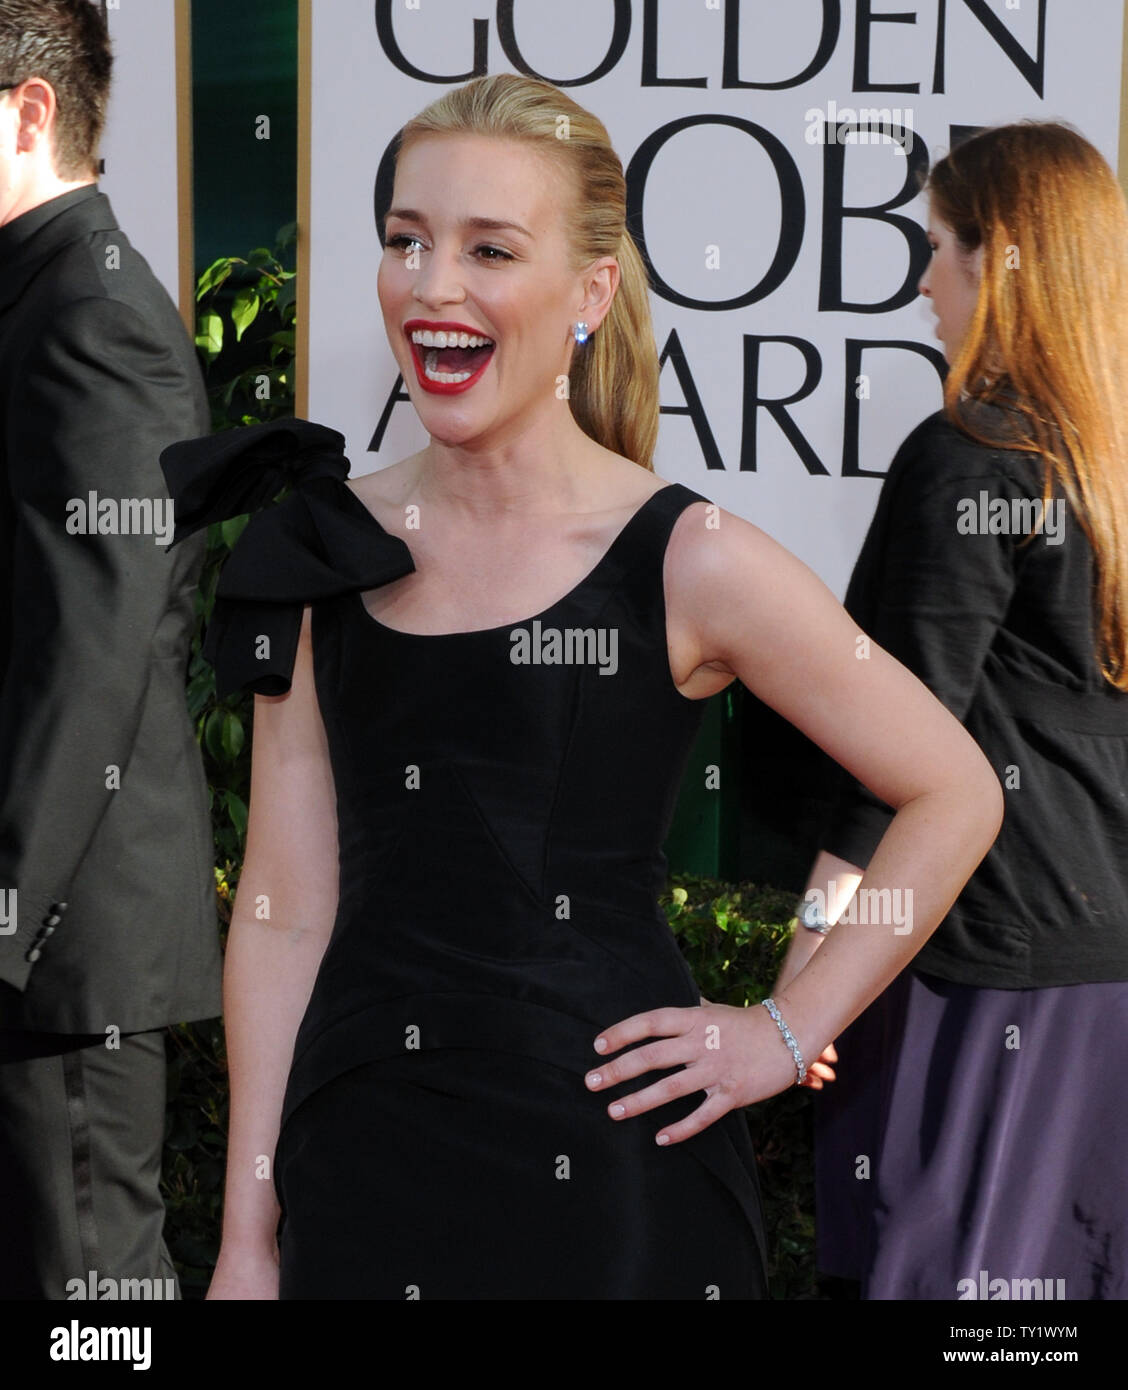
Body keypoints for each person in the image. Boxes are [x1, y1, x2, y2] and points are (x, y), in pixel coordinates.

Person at [164, 73, 1000, 1301]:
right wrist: (247, 1233)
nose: (432, 284)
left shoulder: (689, 557)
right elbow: (286, 914)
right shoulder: (320, 547)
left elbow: (956, 791)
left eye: (489, 248)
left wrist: (784, 1029)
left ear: (589, 293)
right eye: (406, 240)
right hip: (361, 1169)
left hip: (614, 1185)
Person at [776, 122, 1128, 1300]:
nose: (924, 282)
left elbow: (897, 745)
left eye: (940, 249)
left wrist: (814, 960)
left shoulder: (972, 457)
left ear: (1003, 262)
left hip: (979, 972)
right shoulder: (1099, 467)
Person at [0, 0, 221, 1300]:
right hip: (44, 941)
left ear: (29, 113)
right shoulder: (46, 297)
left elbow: (89, 654)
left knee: (95, 1307)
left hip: (62, 949)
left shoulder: (93, 316)